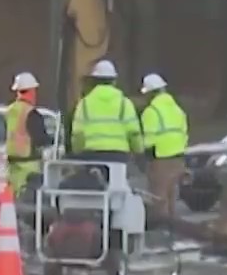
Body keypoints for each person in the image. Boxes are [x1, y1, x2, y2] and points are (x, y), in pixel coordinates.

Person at [69, 59, 142, 176]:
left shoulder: (84, 104)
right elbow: (133, 132)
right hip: (118, 157)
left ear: (95, 81)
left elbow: (78, 134)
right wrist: (138, 151)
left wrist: (78, 154)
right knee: (117, 190)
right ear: (114, 81)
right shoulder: (124, 103)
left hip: (92, 156)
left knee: (96, 190)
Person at [138, 73, 188, 223]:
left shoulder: (151, 112)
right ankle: (174, 230)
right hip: (178, 157)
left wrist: (141, 154)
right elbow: (184, 132)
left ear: (152, 93)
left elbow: (149, 140)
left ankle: (162, 230)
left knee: (159, 198)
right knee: (172, 196)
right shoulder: (177, 109)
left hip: (160, 159)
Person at [4, 71, 54, 199]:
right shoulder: (31, 113)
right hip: (28, 165)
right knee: (28, 201)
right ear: (32, 91)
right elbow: (40, 139)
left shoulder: (10, 111)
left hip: (12, 165)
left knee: (12, 200)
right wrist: (52, 139)